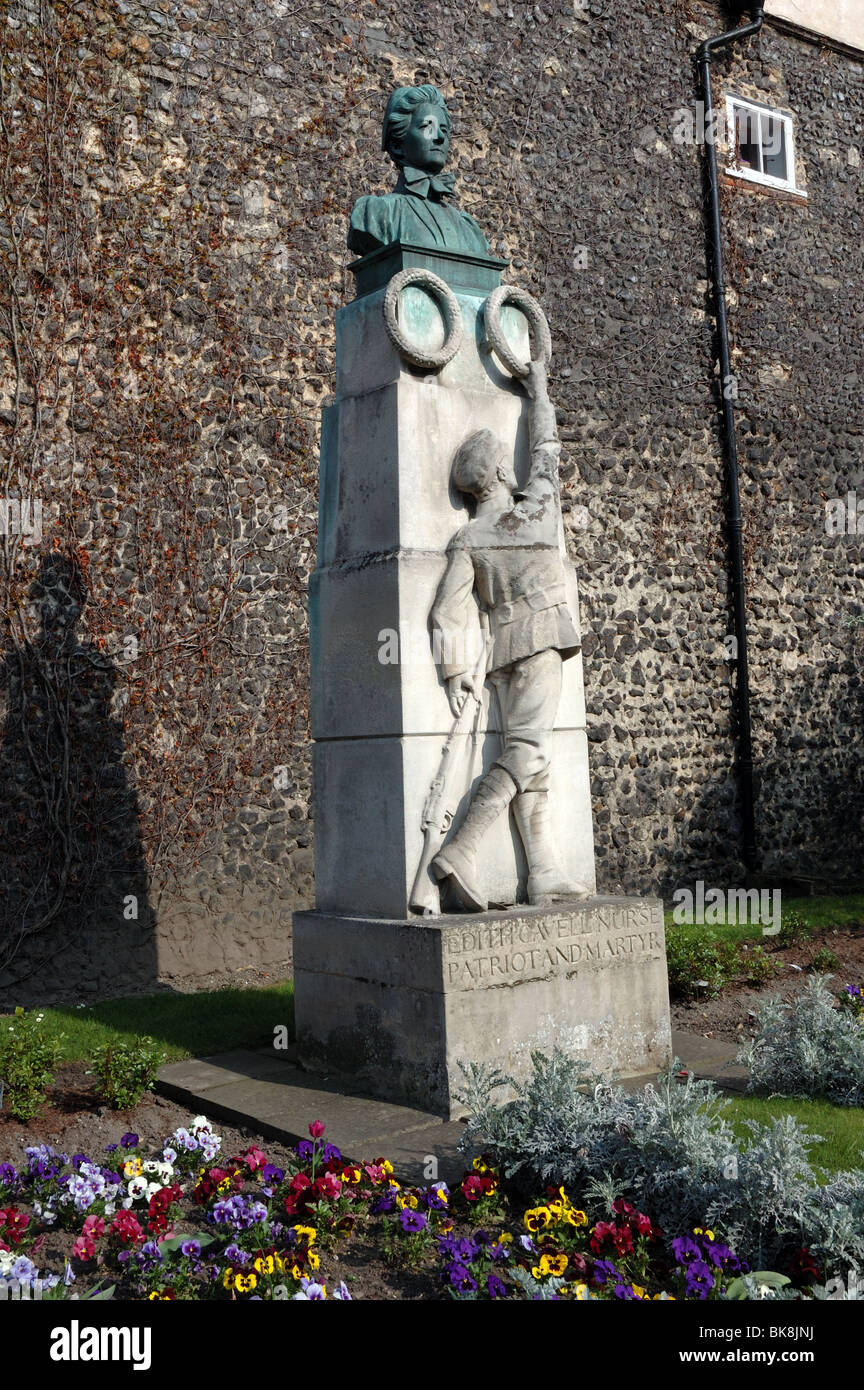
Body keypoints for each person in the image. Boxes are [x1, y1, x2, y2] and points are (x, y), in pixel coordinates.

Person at [429, 358, 590, 912]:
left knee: (534, 755)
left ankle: (543, 871)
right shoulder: (538, 511)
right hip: (542, 640)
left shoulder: (468, 538)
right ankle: (462, 850)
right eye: (505, 461)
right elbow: (547, 449)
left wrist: (453, 670)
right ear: (499, 474)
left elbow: (446, 611)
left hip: (501, 652)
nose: (513, 467)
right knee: (526, 750)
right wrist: (540, 387)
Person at [348, 84, 492, 258]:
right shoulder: (376, 214)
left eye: (444, 130)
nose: (439, 137)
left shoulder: (468, 228)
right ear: (397, 144)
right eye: (427, 127)